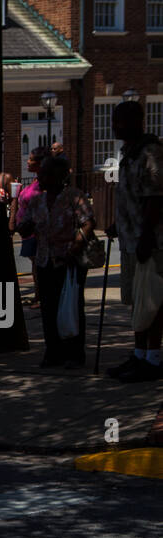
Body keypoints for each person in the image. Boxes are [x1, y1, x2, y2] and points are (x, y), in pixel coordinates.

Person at [15, 154, 94, 369]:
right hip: (45, 260)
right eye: (41, 173)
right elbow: (25, 226)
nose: (41, 177)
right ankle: (53, 352)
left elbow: (88, 223)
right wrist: (23, 227)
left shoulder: (74, 196)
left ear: (58, 176)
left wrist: (75, 247)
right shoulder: (37, 201)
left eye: (46, 174)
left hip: (69, 261)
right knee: (48, 309)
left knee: (71, 307)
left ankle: (74, 353)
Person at [105, 100, 163, 383]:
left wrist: (146, 236)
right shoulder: (128, 152)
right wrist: (118, 224)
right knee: (136, 301)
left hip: (150, 243)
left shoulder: (151, 152)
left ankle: (153, 358)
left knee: (152, 301)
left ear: (137, 121)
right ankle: (139, 355)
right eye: (114, 121)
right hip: (129, 240)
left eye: (121, 121)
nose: (115, 127)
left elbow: (155, 199)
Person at [10, 146, 49, 308]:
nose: (28, 161)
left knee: (39, 266)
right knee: (35, 265)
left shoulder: (44, 183)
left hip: (36, 232)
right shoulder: (35, 180)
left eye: (31, 159)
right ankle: (38, 295)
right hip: (28, 231)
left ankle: (42, 298)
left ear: (40, 163)